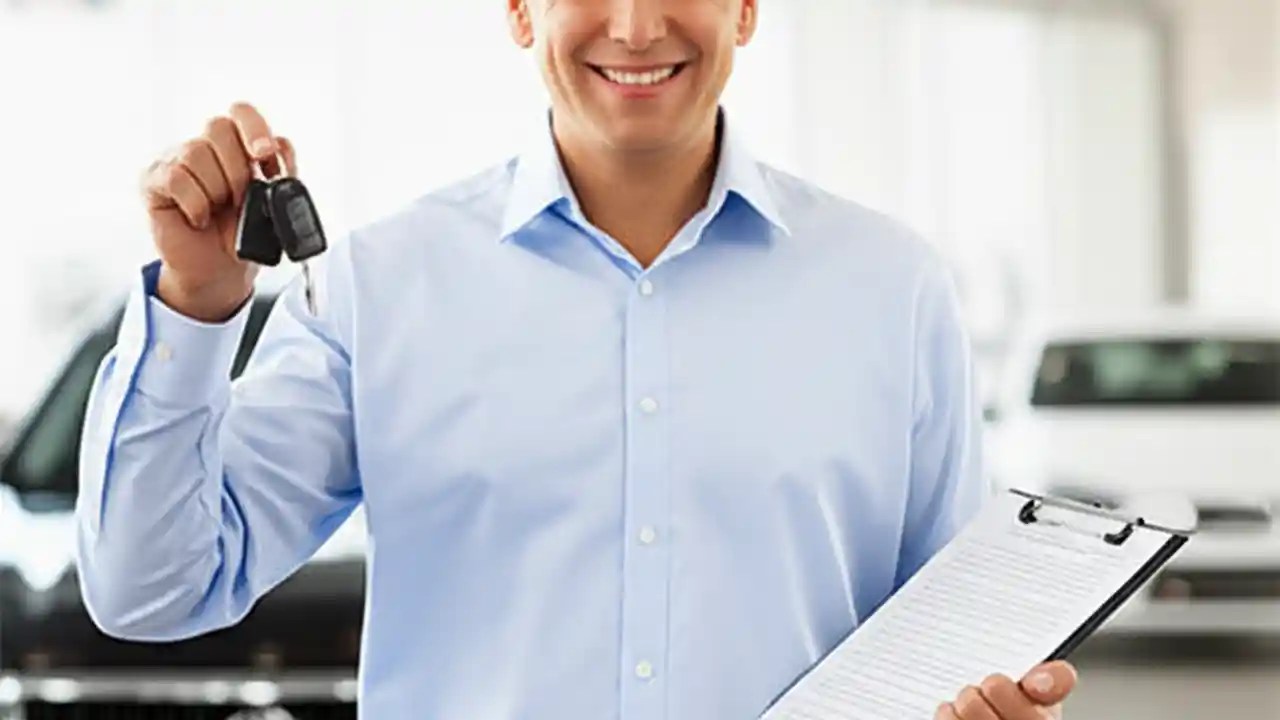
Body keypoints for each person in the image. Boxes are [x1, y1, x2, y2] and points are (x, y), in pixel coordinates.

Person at [75, 1, 1078, 718]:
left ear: (745, 8)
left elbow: (956, 651)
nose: (634, 27)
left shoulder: (890, 288)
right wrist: (196, 304)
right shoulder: (378, 286)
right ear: (520, 10)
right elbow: (151, 590)